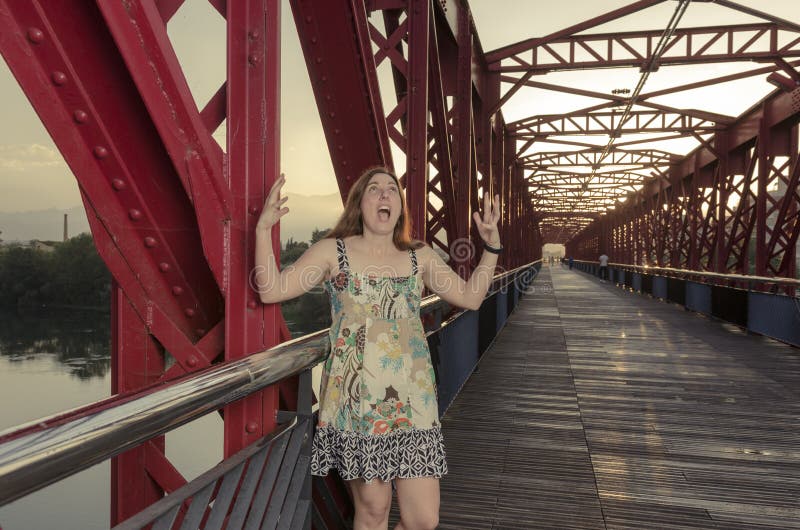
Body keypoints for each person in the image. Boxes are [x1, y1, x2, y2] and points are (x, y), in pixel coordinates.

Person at [254, 166, 502, 530]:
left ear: (399, 208)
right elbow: (271, 289)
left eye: (392, 190)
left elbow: (471, 297)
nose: (385, 195)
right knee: (373, 510)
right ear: (360, 203)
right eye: (374, 189)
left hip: (413, 403)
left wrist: (492, 246)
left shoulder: (420, 257)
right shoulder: (332, 252)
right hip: (356, 402)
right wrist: (263, 230)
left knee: (423, 519)